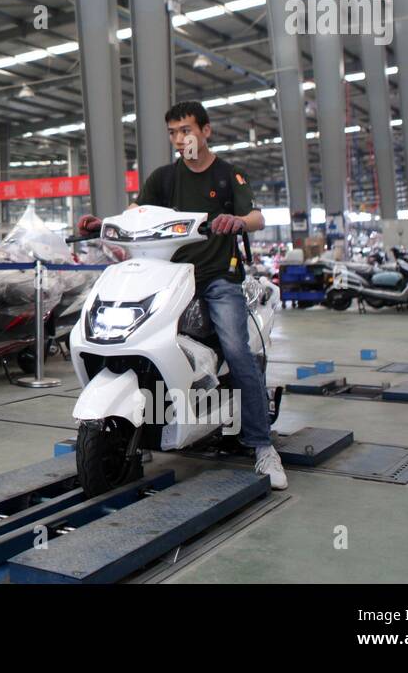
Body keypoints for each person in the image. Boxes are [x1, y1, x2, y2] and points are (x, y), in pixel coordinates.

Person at [76, 100, 286, 490]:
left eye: (186, 130)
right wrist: (103, 223)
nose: (179, 139)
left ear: (206, 131)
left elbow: (257, 217)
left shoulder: (228, 176)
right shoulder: (163, 178)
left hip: (216, 278)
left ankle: (261, 445)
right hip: (168, 276)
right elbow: (135, 213)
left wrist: (237, 220)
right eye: (173, 132)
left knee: (237, 351)